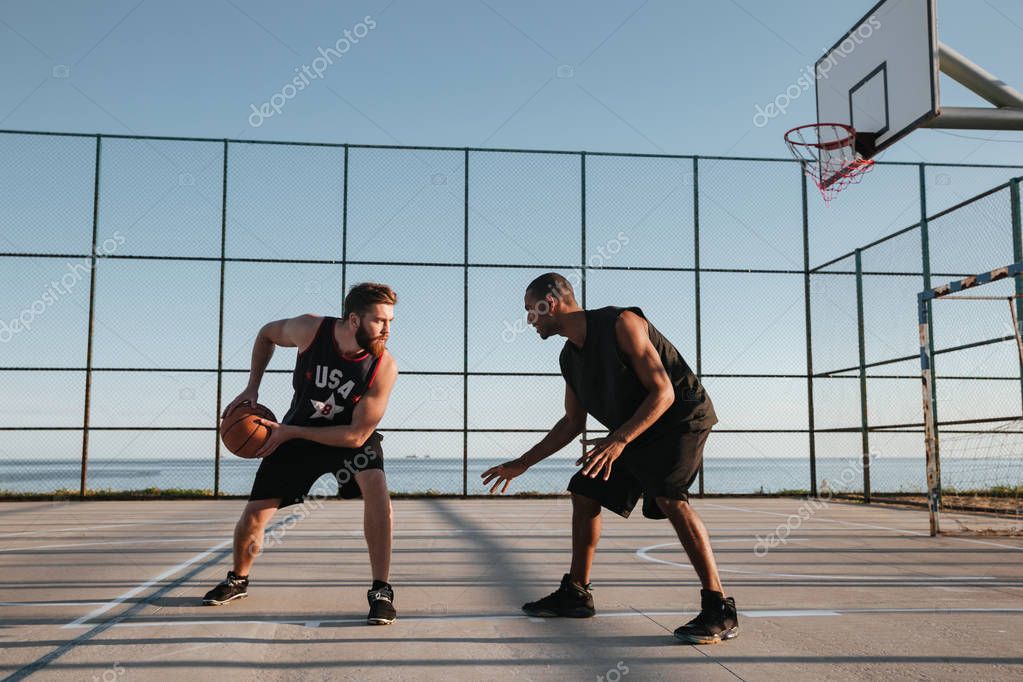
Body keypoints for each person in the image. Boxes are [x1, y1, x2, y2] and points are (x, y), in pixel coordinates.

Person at [481, 272, 737, 644]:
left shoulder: (622, 323)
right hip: (632, 429)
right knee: (585, 489)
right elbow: (572, 422)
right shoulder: (570, 358)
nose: (528, 320)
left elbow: (663, 393)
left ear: (548, 305)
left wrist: (618, 440)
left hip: (681, 418)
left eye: (530, 311)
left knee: (669, 497)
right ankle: (577, 593)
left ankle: (719, 608)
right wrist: (523, 462)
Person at [202, 282, 399, 626]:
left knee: (377, 489)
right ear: (354, 321)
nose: (387, 329)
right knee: (255, 514)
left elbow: (355, 435)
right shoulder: (311, 329)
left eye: (390, 321)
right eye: (379, 321)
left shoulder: (383, 366)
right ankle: (238, 579)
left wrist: (290, 432)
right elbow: (266, 334)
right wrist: (252, 386)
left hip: (345, 436)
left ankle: (381, 590)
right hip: (296, 431)